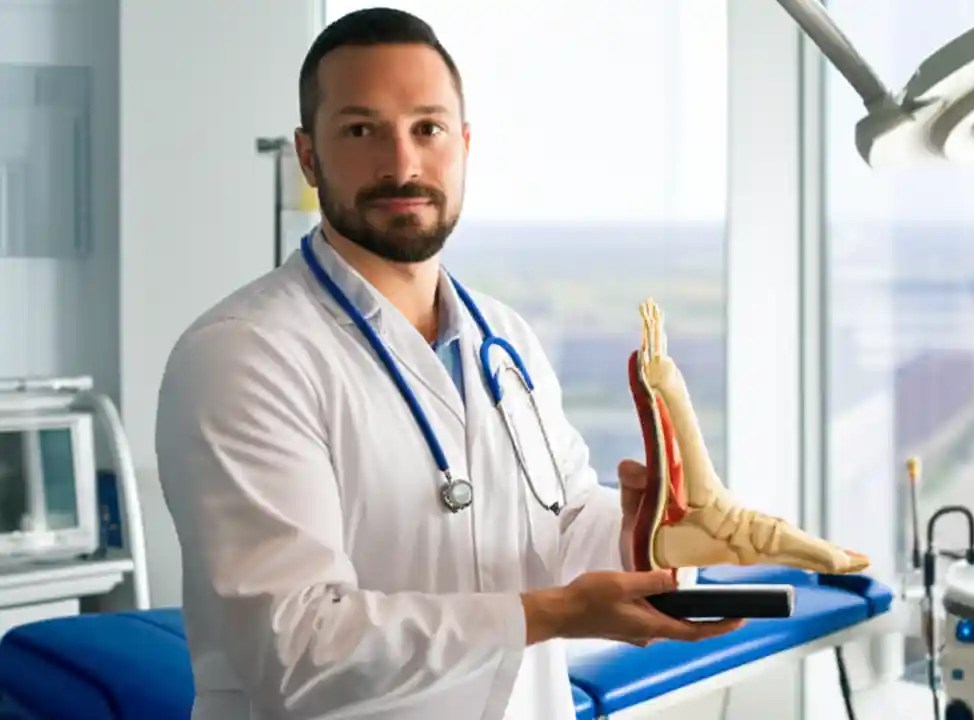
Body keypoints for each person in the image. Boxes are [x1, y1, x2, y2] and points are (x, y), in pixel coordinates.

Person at [154, 8, 741, 719]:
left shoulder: (507, 338)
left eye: (427, 129)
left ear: (463, 145)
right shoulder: (243, 356)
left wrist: (633, 532)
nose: (402, 164)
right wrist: (548, 615)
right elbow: (298, 645)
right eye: (361, 130)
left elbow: (553, 525)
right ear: (308, 157)